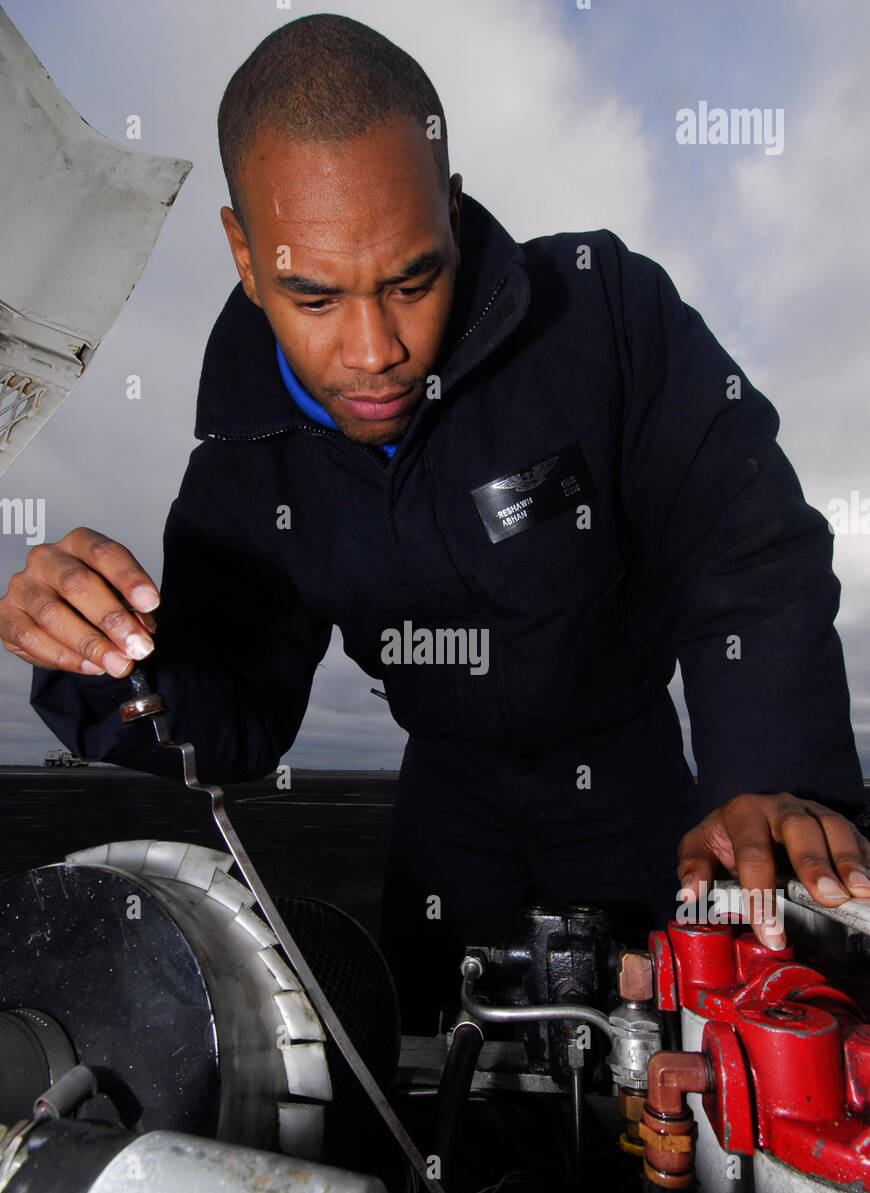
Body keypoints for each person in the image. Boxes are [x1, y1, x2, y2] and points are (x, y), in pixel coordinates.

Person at [2, 14, 867, 1032]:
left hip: (632, 775)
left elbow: (746, 543)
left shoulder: (605, 316)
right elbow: (234, 717)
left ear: (452, 216)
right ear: (243, 251)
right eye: (313, 295)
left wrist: (771, 784)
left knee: (702, 1058)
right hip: (445, 802)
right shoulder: (242, 464)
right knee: (424, 1080)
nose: (375, 352)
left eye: (413, 280)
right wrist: (103, 655)